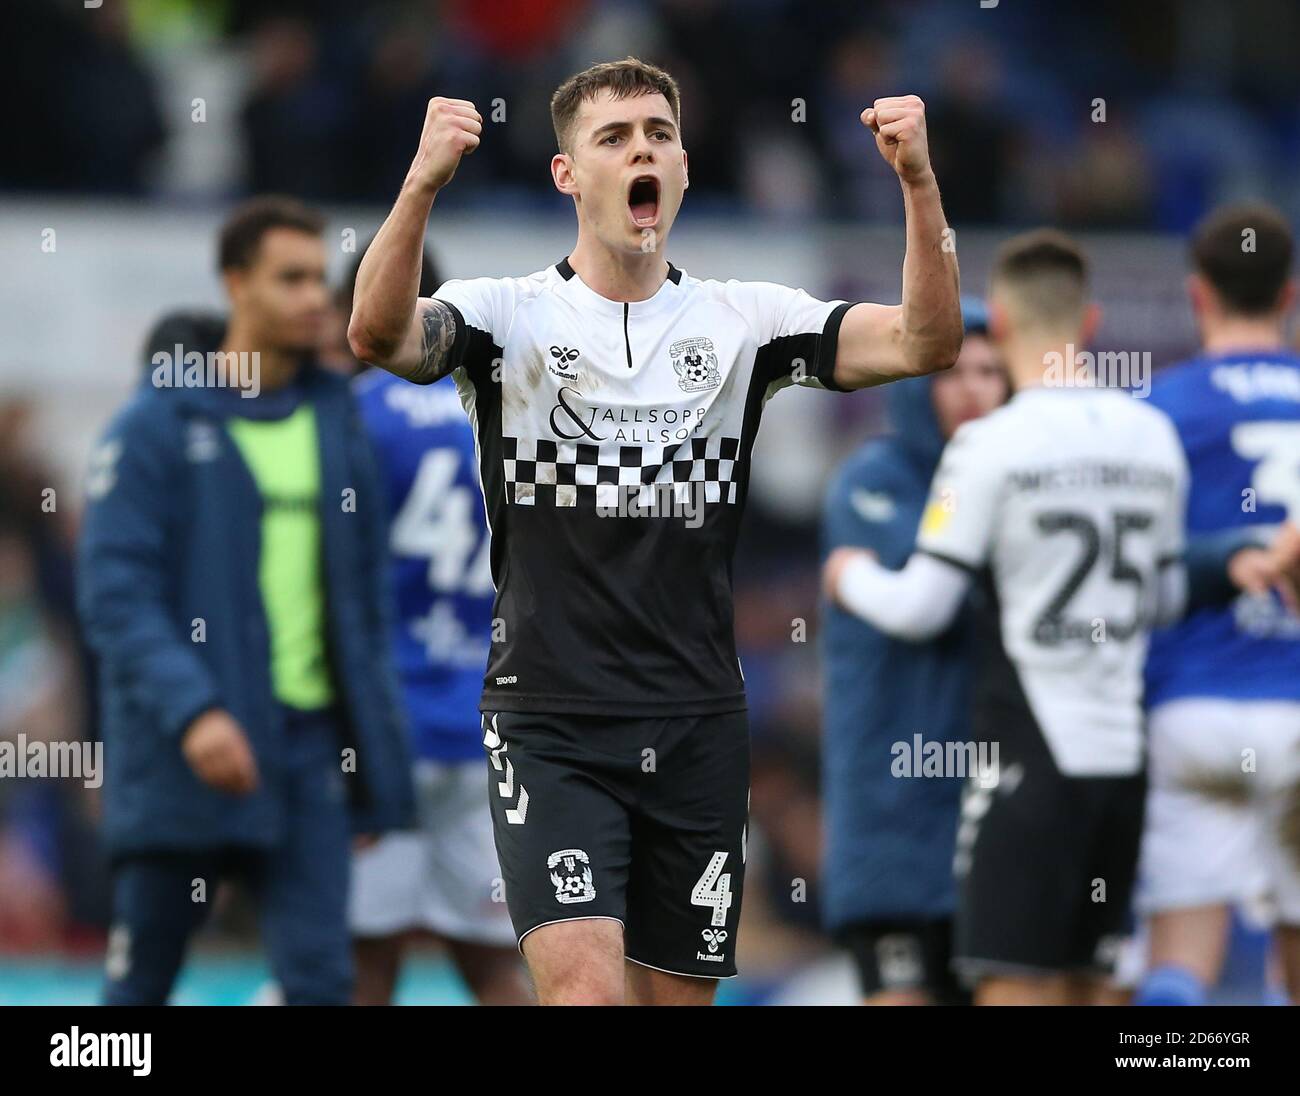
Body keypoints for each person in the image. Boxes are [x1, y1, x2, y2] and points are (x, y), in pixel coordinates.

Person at [348, 57, 962, 1005]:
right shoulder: (503, 316)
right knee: (586, 996)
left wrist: (918, 183)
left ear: (680, 169)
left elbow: (927, 339)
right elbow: (378, 335)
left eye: (659, 136)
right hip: (550, 719)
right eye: (614, 137)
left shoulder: (749, 321)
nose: (643, 150)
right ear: (567, 174)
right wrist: (422, 182)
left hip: (698, 722)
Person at [822, 229, 1290, 1005]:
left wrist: (851, 576)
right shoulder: (1150, 434)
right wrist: (1234, 561)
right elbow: (1162, 600)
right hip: (1122, 767)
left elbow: (923, 606)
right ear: (1092, 323)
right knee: (1094, 988)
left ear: (1002, 323)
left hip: (1030, 763)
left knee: (1017, 984)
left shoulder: (989, 446)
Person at [77, 196, 414, 1005]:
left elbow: (364, 601)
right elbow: (115, 595)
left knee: (322, 984)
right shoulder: (156, 425)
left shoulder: (337, 423)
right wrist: (194, 711)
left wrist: (371, 760)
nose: (313, 299)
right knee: (140, 986)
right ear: (235, 284)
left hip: (309, 757)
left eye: (319, 280)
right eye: (289, 279)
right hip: (187, 750)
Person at [344, 247, 531, 1005]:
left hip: (383, 729)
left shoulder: (354, 416)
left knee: (364, 963)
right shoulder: (504, 404)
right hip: (489, 722)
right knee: (491, 963)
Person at [1134, 204, 1300, 1006]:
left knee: (1180, 959)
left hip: (1191, 706)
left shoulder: (1155, 409)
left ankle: (1182, 1044)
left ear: (1197, 294)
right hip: (1296, 706)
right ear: (1290, 295)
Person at [820, 299, 1006, 1005]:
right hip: (892, 822)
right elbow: (932, 595)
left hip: (997, 821)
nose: (972, 390)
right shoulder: (872, 481)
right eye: (952, 372)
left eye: (990, 372)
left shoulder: (1017, 483)